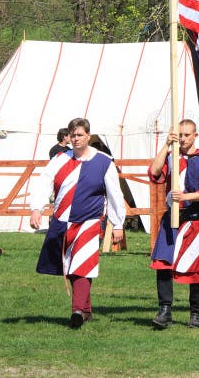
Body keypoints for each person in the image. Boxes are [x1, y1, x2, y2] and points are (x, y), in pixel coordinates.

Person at [30, 117, 126, 328]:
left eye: (80, 135)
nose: (76, 138)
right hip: (62, 221)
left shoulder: (103, 162)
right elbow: (43, 183)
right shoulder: (60, 159)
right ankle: (86, 310)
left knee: (82, 265)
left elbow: (115, 195)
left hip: (89, 222)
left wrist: (118, 223)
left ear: (88, 136)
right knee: (71, 266)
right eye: (73, 135)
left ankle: (76, 311)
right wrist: (36, 208)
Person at [148, 119, 199, 329]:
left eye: (186, 135)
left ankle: (196, 313)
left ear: (195, 136)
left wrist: (185, 196)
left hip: (194, 220)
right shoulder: (172, 157)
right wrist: (166, 145)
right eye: (180, 135)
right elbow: (154, 172)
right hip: (172, 220)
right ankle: (164, 310)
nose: (182, 139)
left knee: (196, 269)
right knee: (163, 264)